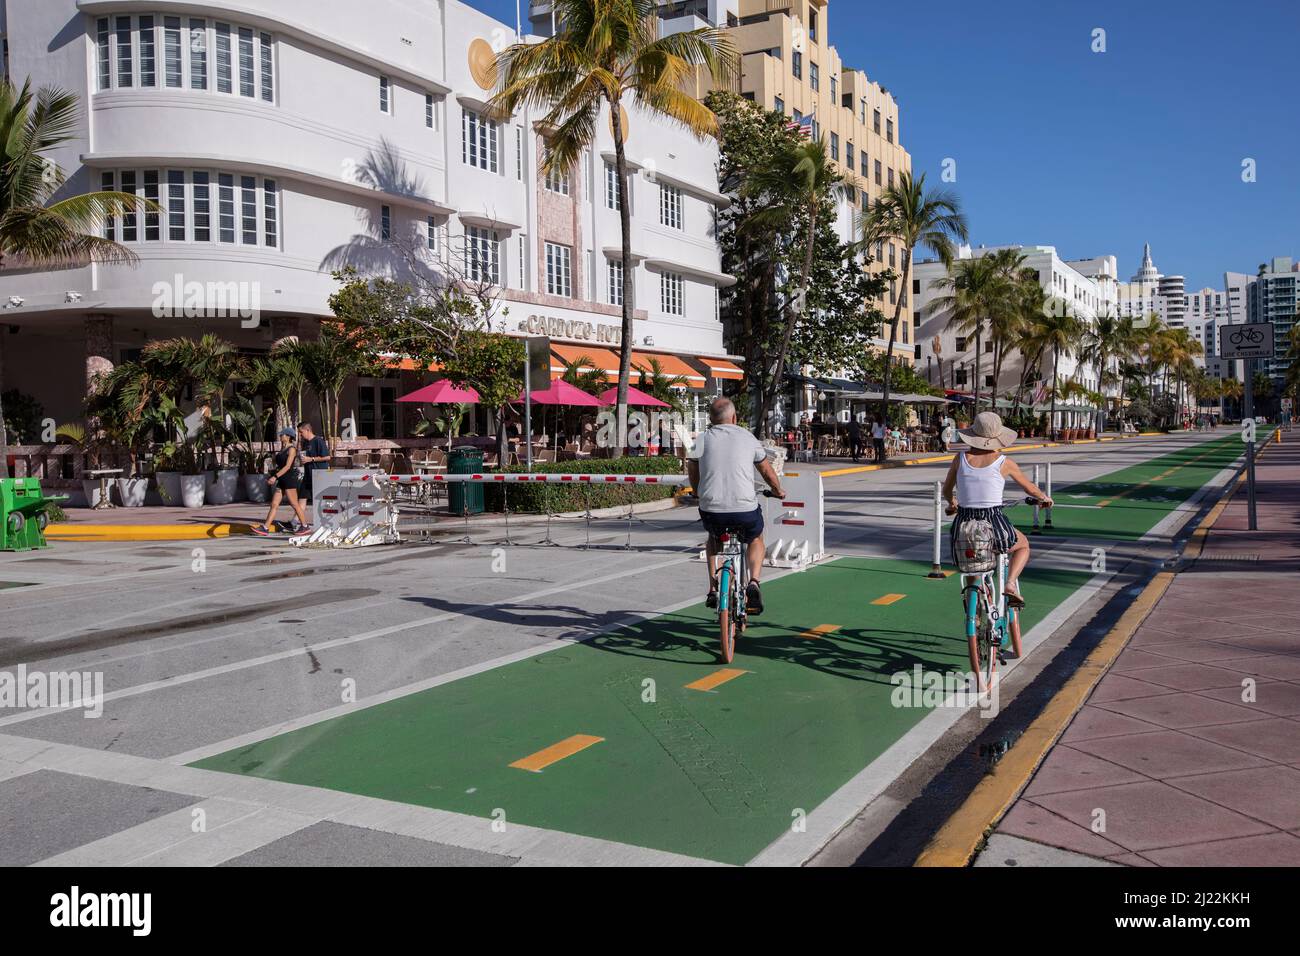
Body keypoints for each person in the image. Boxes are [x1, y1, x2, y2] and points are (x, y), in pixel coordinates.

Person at [941, 412, 1052, 610]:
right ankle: (1010, 584)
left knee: (972, 565)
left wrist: (952, 503)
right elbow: (1030, 488)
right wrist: (1043, 498)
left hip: (963, 526)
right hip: (994, 525)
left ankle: (972, 609)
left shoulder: (960, 459)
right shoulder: (1004, 462)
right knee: (1023, 545)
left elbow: (947, 490)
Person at [688, 397, 786, 615]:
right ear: (734, 417)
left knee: (713, 539)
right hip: (745, 510)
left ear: (711, 419)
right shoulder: (747, 437)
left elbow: (692, 470)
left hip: (712, 510)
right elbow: (767, 471)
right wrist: (778, 490)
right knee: (755, 537)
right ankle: (754, 582)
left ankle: (713, 588)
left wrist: (697, 491)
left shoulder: (701, 440)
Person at [250, 427, 311, 536]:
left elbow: (288, 466)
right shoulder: (282, 449)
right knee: (274, 504)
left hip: (289, 480)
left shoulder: (292, 449)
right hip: (281, 480)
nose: (280, 436)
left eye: (282, 435)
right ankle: (265, 528)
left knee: (294, 504)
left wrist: (275, 477)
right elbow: (279, 465)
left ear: (288, 436)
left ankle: (305, 526)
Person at [297, 421, 329, 505]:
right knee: (302, 496)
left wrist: (311, 459)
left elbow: (327, 457)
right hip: (308, 475)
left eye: (301, 432)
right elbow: (305, 458)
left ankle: (320, 517)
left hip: (319, 474)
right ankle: (297, 518)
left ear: (308, 430)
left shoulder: (318, 440)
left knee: (319, 499)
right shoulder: (305, 443)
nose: (300, 435)